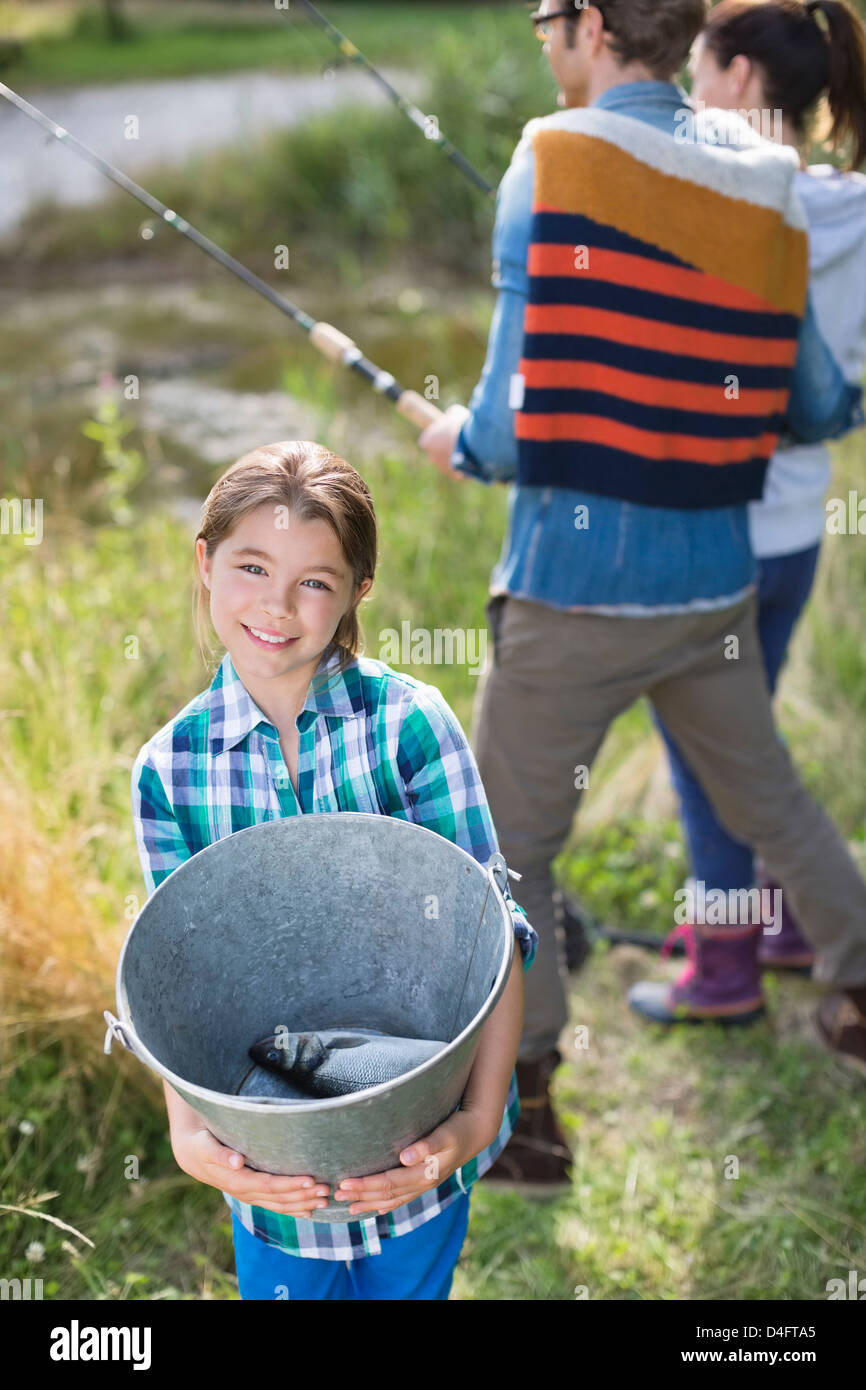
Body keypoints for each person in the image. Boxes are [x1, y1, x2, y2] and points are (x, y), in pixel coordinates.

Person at [419, 0, 866, 1192]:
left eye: (546, 17)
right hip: (712, 582)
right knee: (766, 793)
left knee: (506, 853)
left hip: (571, 597)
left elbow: (507, 432)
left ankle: (530, 1119)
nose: (537, 35)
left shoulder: (550, 155)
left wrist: (450, 437)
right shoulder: (768, 177)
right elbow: (821, 406)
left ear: (599, 25)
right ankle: (860, 998)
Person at [130, 440, 537, 1300]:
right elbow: (177, 984)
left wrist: (475, 1120)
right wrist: (185, 1135)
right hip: (271, 1171)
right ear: (204, 564)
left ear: (357, 591)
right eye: (250, 565)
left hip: (413, 1148)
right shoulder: (170, 771)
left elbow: (489, 940)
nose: (276, 605)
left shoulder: (407, 728)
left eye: (314, 580)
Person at [648, 0, 866, 998]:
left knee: (705, 749)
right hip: (796, 528)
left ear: (736, 78)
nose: (690, 95)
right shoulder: (855, 211)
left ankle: (723, 964)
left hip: (715, 531)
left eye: (696, 74)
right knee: (744, 733)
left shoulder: (715, 208)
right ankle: (766, 915)